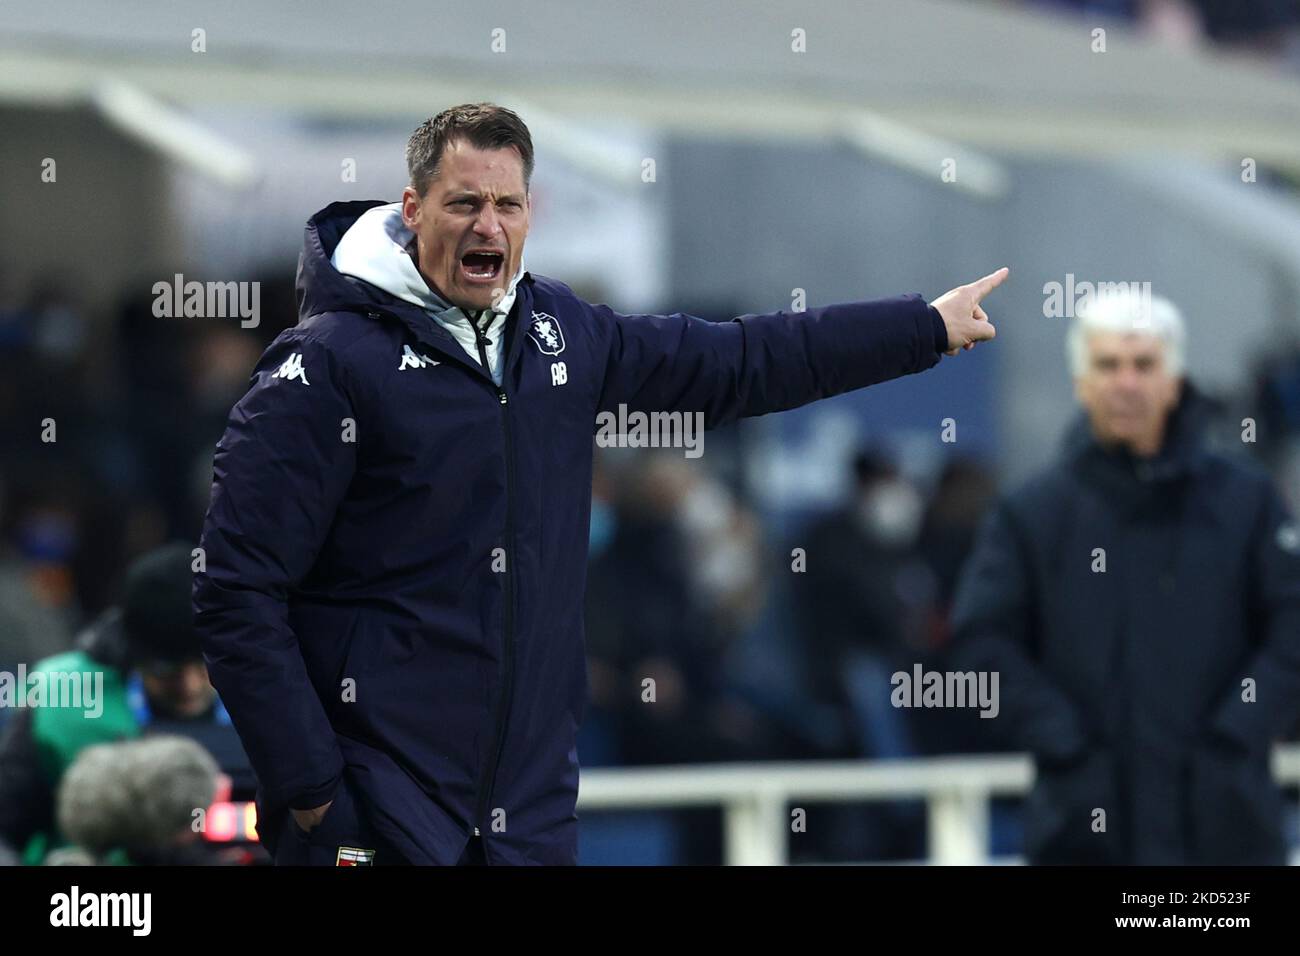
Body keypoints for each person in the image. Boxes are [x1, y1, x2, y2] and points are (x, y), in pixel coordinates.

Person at [194, 101, 1007, 866]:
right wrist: (312, 793)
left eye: (508, 206)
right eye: (464, 204)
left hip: (527, 819)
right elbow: (234, 590)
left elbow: (741, 361)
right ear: (412, 209)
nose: (489, 226)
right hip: (377, 815)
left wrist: (920, 329)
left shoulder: (562, 332)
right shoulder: (326, 365)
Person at [949, 290, 1300, 864]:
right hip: (1083, 832)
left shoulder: (1247, 502)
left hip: (1225, 830)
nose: (1127, 383)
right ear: (1080, 382)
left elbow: (1292, 624)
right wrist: (1065, 741)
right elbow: (982, 645)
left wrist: (1240, 727)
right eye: (1108, 365)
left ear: (1174, 377)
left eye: (1144, 364)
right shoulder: (1032, 513)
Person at [0, 542, 239, 864]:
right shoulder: (65, 696)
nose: (189, 685)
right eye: (165, 669)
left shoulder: (277, 694)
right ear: (131, 648)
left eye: (204, 666)